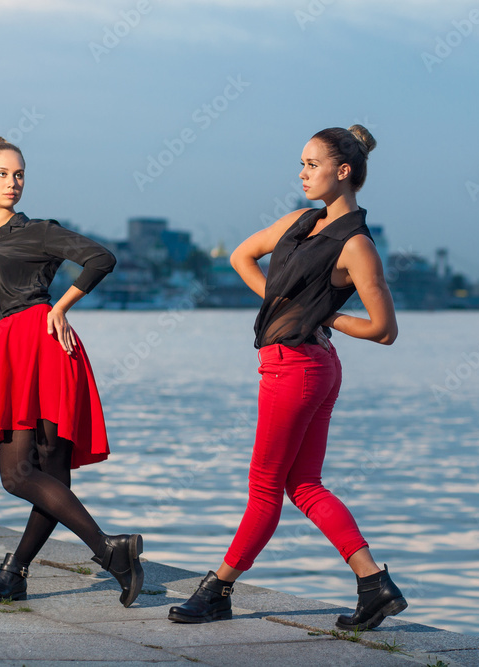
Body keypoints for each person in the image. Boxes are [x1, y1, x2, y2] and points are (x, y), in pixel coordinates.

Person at [168, 125, 407, 630]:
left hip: (299, 368)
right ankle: (374, 585)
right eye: (301, 164)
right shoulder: (300, 222)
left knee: (264, 488)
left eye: (312, 165)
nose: (302, 173)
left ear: (343, 171)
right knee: (303, 484)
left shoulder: (356, 245)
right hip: (298, 364)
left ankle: (217, 590)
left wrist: (322, 314)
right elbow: (240, 256)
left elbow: (384, 330)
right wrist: (286, 305)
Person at [0, 135, 143, 607]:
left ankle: (105, 551)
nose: (12, 183)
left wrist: (60, 306)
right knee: (44, 478)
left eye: (19, 175)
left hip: (45, 346)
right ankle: (19, 573)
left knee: (20, 474)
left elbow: (101, 258)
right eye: (2, 174)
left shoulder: (38, 231)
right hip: (5, 353)